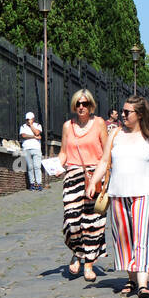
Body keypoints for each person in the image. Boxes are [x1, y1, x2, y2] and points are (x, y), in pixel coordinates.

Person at [86, 96, 149, 298]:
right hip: (118, 194)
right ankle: (132, 278)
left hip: (145, 193)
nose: (123, 114)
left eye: (128, 112)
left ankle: (143, 283)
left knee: (143, 237)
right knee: (124, 239)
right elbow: (104, 161)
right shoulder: (115, 134)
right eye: (123, 110)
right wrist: (93, 182)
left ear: (140, 115)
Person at [61, 89, 108, 282]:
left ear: (91, 105)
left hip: (94, 176)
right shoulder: (67, 126)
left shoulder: (99, 123)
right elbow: (64, 152)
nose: (82, 107)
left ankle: (88, 264)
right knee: (72, 221)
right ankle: (77, 252)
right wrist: (56, 165)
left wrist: (106, 179)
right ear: (74, 105)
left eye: (85, 103)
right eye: (78, 103)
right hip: (72, 176)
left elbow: (107, 153)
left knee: (92, 222)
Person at [20, 111, 44, 190]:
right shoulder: (23, 126)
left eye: (29, 119)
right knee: (30, 167)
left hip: (36, 148)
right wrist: (34, 137)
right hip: (26, 148)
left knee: (37, 166)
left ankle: (39, 183)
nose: (27, 121)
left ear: (33, 119)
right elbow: (23, 135)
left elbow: (37, 133)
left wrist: (31, 126)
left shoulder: (38, 125)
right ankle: (32, 183)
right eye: (26, 119)